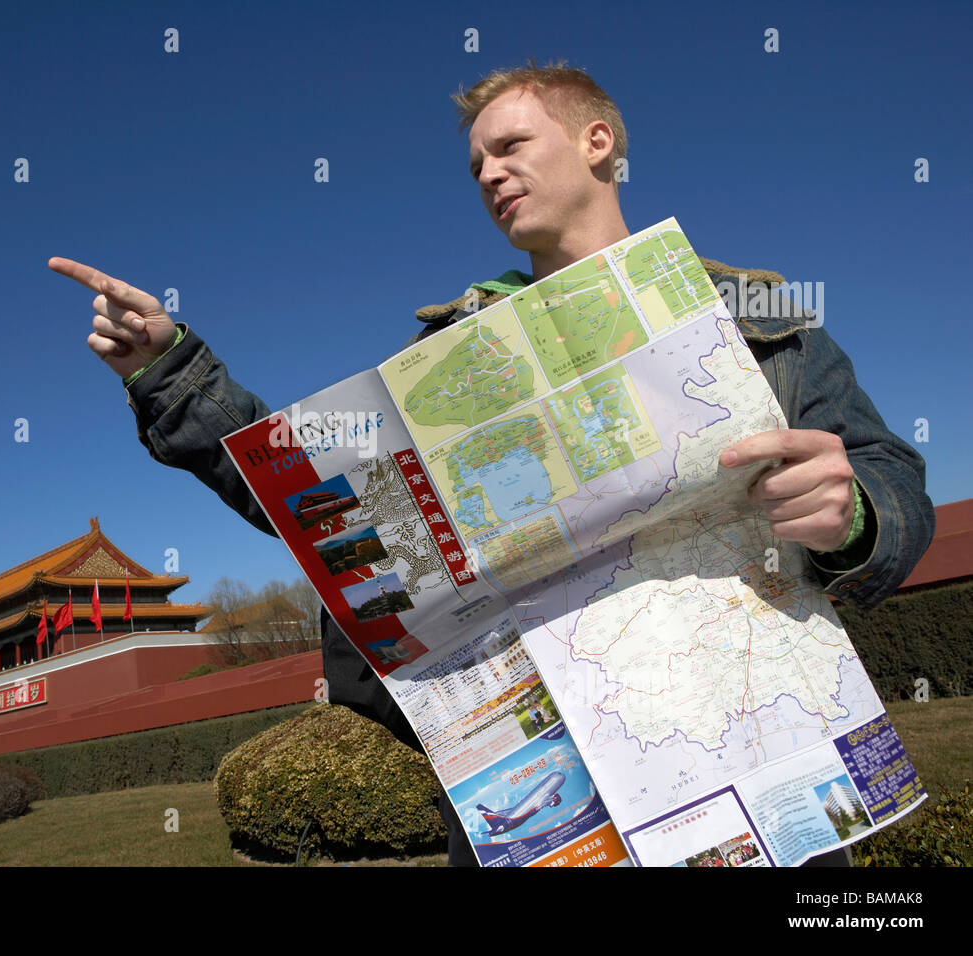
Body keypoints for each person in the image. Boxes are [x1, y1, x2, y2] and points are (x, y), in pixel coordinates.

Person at [49, 62, 935, 866]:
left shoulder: (752, 319)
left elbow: (890, 478)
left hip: (755, 765)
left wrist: (857, 511)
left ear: (598, 143)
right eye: (475, 165)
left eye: (510, 146)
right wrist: (171, 372)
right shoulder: (448, 360)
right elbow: (316, 498)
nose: (488, 175)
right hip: (550, 802)